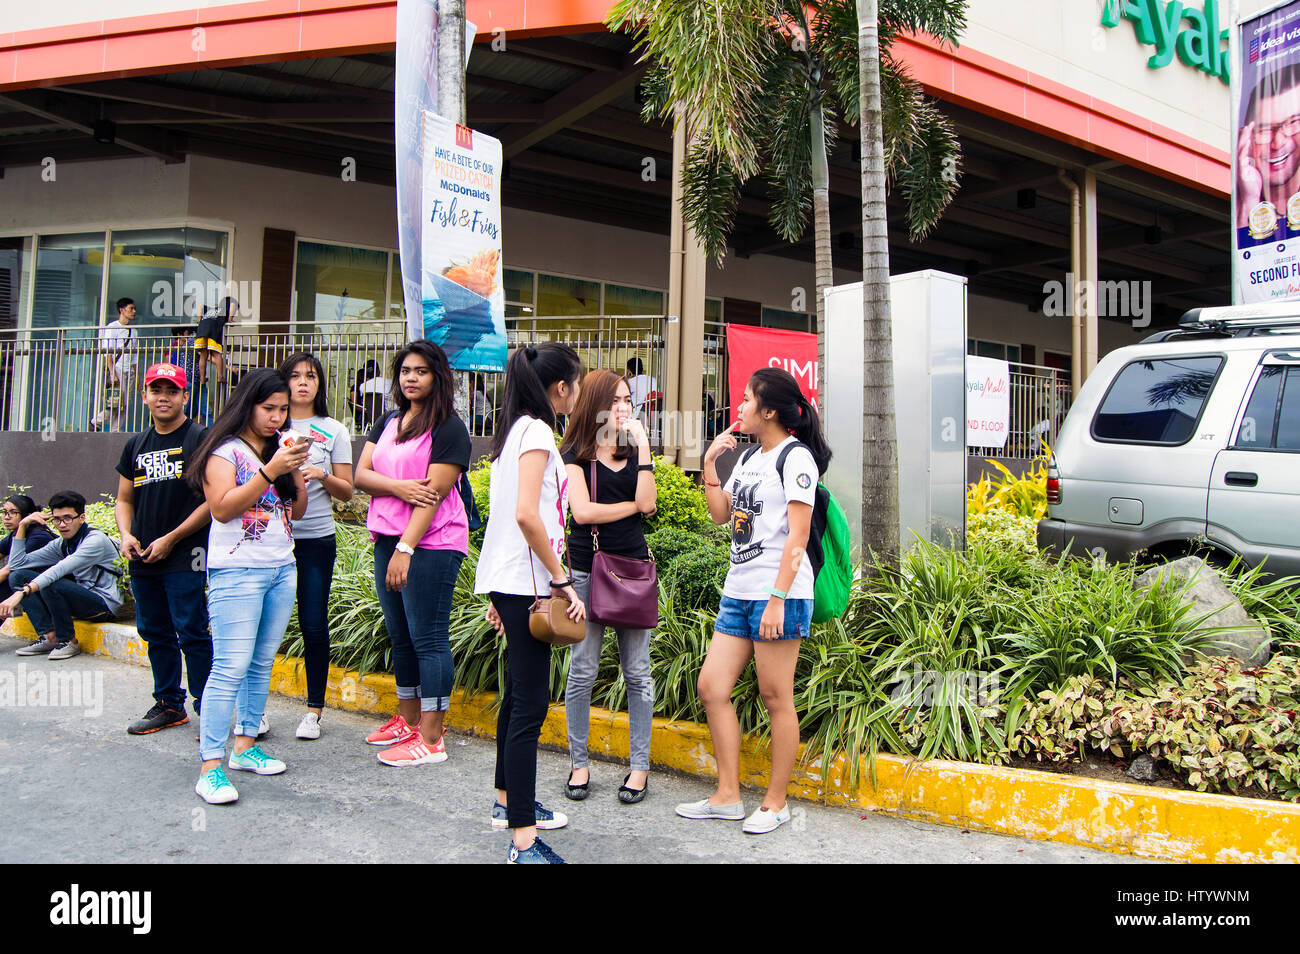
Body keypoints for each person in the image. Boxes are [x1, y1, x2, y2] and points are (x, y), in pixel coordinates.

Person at [679, 367, 831, 835]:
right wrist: (709, 465)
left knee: (775, 696)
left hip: (778, 594)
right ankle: (727, 796)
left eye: (746, 399)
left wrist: (777, 599)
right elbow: (722, 515)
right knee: (712, 687)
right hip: (738, 590)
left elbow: (799, 536)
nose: (738, 407)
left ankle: (776, 802)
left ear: (769, 411)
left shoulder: (795, 458)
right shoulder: (748, 458)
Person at [475, 342, 585, 864]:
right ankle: (522, 839)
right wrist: (562, 581)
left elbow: (507, 516)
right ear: (560, 388)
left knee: (520, 693)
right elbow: (525, 514)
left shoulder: (514, 430)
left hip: (512, 579)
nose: (579, 393)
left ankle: (506, 802)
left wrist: (500, 588)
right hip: (528, 582)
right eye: (577, 383)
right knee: (531, 704)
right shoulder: (538, 431)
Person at [187, 368, 310, 805]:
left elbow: (296, 511)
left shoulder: (278, 447)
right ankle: (210, 767)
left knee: (260, 663)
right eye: (268, 408)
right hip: (237, 572)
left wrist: (293, 468)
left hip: (281, 566)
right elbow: (221, 509)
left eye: (283, 410)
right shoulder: (224, 452)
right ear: (247, 405)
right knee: (230, 667)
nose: (277, 417)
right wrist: (270, 469)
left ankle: (245, 747)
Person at [354, 341, 471, 766]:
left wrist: (407, 546)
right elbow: (360, 475)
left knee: (428, 638)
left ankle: (432, 736)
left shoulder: (449, 427)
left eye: (421, 371)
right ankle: (407, 720)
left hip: (431, 543)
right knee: (400, 633)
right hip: (386, 537)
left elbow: (434, 495)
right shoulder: (388, 420)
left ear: (437, 377)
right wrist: (399, 487)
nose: (411, 378)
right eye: (405, 370)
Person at [559, 369, 658, 805]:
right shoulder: (575, 453)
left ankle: (640, 768)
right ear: (596, 404)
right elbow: (582, 513)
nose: (623, 408)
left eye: (626, 400)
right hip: (586, 571)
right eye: (615, 400)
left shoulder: (635, 449)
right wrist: (629, 506)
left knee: (637, 672)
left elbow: (649, 505)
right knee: (582, 670)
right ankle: (579, 763)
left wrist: (647, 447)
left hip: (633, 569)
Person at [116, 363, 214, 735]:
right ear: (145, 396)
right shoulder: (135, 444)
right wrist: (126, 535)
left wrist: (171, 538)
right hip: (143, 555)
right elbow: (125, 499)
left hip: (186, 553)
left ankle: (209, 705)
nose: (163, 397)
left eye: (171, 391)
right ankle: (169, 704)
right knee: (154, 631)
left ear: (184, 396)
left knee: (192, 630)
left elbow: (212, 501)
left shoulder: (200, 438)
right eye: (156, 390)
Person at [281, 352, 354, 740]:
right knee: (265, 625)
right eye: (294, 376)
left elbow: (347, 491)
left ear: (320, 383)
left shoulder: (333, 429)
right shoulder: (269, 422)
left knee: (313, 621)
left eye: (310, 376)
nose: (303, 382)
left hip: (315, 539)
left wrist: (321, 474)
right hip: (271, 541)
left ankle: (313, 710)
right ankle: (253, 710)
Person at [2, 491, 124, 660]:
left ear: (81, 518)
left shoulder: (95, 541)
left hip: (104, 605)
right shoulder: (62, 544)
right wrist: (23, 525)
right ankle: (49, 636)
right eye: (57, 519)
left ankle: (68, 641)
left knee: (51, 582)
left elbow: (58, 570)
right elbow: (17, 564)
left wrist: (21, 593)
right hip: (81, 598)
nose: (62, 524)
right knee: (18, 576)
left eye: (67, 518)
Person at [91, 298, 138, 432]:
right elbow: (108, 352)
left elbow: (134, 356)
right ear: (122, 310)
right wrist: (112, 373)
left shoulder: (134, 331)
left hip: (130, 370)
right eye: (131, 309)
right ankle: (96, 422)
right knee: (115, 403)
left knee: (126, 404)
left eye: (134, 309)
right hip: (118, 369)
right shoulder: (112, 327)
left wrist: (137, 376)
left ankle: (115, 430)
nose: (134, 312)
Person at [0, 495, 56, 605]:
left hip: (46, 589)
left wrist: (22, 525)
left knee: (13, 577)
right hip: (26, 587)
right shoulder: (14, 534)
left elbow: (9, 569)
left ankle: (14, 617)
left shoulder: (39, 537)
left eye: (13, 512)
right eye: (4, 512)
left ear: (27, 516)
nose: (7, 517)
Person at [194, 296, 238, 420]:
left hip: (201, 330)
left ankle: (202, 378)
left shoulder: (210, 310)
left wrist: (199, 319)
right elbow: (230, 314)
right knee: (217, 354)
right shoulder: (225, 310)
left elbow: (200, 305)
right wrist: (231, 319)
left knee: (203, 355)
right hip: (213, 333)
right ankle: (220, 376)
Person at [168, 324, 207, 425]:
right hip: (190, 379)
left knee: (193, 410)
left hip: (193, 380)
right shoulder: (192, 342)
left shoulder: (186, 344)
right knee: (188, 410)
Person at [624, 357, 657, 423]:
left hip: (634, 418)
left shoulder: (630, 382)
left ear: (629, 371)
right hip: (652, 418)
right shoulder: (653, 380)